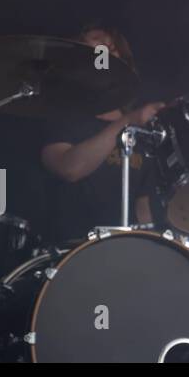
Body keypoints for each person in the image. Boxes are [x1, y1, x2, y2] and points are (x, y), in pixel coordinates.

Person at [38, 23, 165, 242]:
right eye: (96, 44)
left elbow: (144, 208)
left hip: (123, 254)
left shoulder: (143, 133)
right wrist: (129, 120)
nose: (105, 49)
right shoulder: (63, 114)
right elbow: (70, 169)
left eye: (112, 48)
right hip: (71, 252)